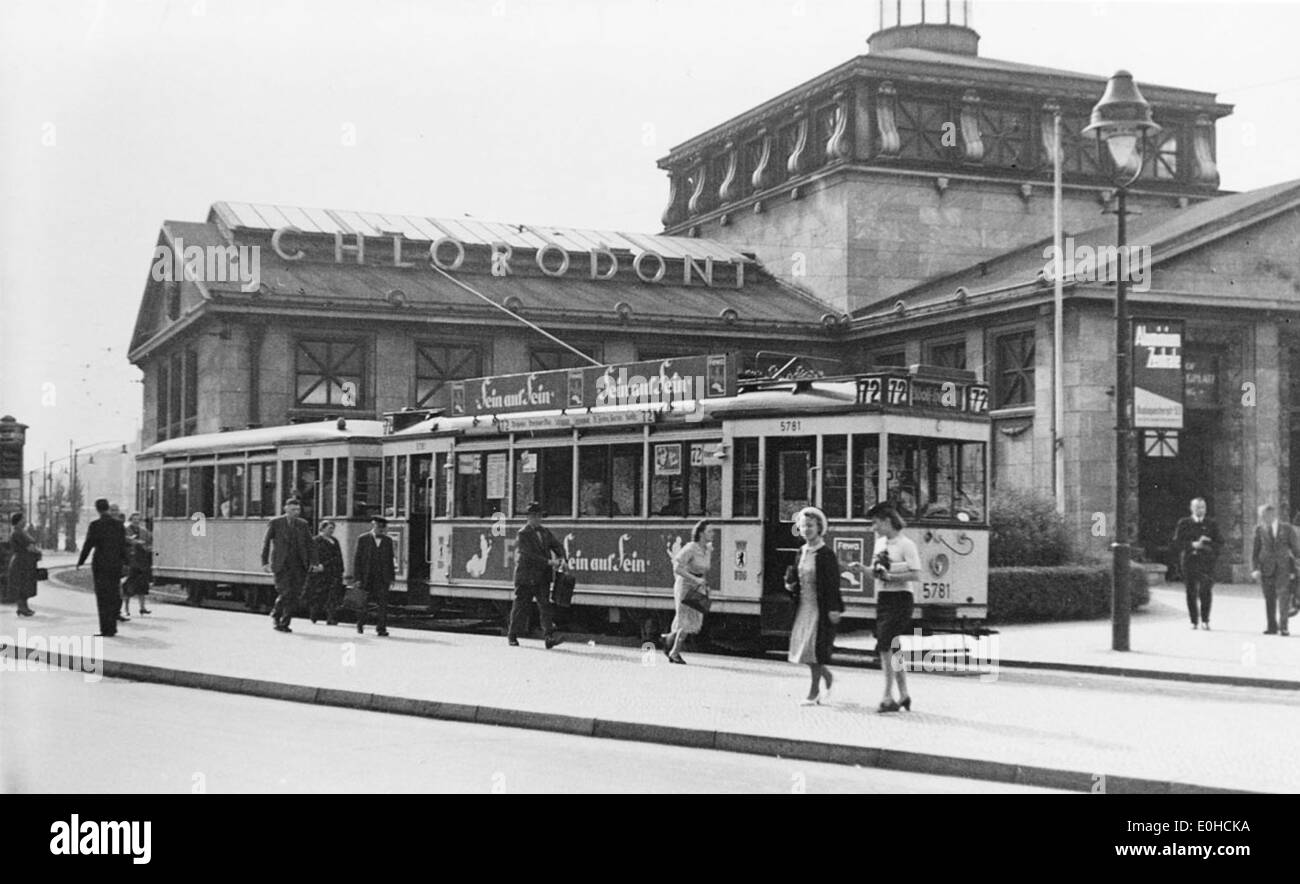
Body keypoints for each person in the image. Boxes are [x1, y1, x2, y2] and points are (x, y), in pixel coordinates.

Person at [783, 507, 845, 705]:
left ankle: (814, 691)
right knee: (804, 649)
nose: (806, 529)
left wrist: (835, 608)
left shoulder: (826, 554)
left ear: (819, 527)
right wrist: (789, 584)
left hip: (820, 607)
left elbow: (833, 583)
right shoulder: (801, 551)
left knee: (813, 648)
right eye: (802, 526)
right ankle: (826, 676)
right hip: (803, 606)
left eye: (810, 525)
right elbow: (795, 576)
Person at [865, 501, 921, 713]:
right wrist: (863, 570)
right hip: (884, 598)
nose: (874, 528)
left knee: (885, 645)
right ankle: (904, 694)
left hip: (901, 599)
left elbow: (916, 574)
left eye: (876, 523)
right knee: (893, 647)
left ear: (888, 521)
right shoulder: (880, 544)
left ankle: (888, 696)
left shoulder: (907, 545)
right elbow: (875, 571)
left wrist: (891, 575)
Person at [507, 501, 566, 649]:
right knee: (521, 606)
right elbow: (528, 556)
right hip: (526, 576)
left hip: (541, 576)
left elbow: (557, 545)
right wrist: (549, 562)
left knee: (545, 606)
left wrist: (562, 558)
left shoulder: (545, 532)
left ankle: (549, 637)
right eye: (535, 516)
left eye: (539, 516)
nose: (538, 519)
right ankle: (512, 634)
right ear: (529, 517)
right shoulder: (523, 533)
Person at [261, 498, 316, 633]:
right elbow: (266, 543)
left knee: (295, 594)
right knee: (285, 593)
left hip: (298, 565)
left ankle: (284, 623)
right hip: (281, 564)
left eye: (298, 510)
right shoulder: (275, 523)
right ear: (285, 509)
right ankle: (277, 615)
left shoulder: (302, 524)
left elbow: (311, 545)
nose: (296, 512)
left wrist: (314, 562)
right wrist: (265, 562)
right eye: (293, 510)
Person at [662, 520, 712, 664]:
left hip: (698, 586)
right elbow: (677, 568)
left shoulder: (708, 549)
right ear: (701, 534)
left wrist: (704, 584)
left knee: (696, 621)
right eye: (709, 532)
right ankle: (674, 652)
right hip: (685, 585)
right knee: (685, 620)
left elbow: (703, 570)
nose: (712, 534)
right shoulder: (690, 548)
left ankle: (669, 638)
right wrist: (694, 580)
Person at [76, 498, 128, 637]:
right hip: (115, 564)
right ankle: (113, 627)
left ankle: (106, 628)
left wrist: (81, 561)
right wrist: (126, 562)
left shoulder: (95, 525)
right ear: (107, 508)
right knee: (114, 595)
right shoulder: (119, 525)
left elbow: (88, 544)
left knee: (102, 597)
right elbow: (123, 546)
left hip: (100, 565)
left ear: (97, 509)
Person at [1171, 497, 1222, 630]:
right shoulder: (1184, 523)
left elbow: (1220, 542)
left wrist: (1208, 544)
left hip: (1206, 562)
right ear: (1191, 508)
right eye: (1197, 507)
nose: (1201, 510)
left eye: (1203, 507)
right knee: (1191, 591)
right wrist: (1192, 544)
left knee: (1206, 590)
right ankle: (1194, 620)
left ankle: (1205, 620)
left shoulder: (1211, 523)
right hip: (1189, 560)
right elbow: (1177, 543)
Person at [1251, 503, 1300, 636]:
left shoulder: (1287, 528)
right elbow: (1255, 552)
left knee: (1283, 597)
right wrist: (1255, 569)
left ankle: (1284, 627)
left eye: (1264, 515)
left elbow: (1296, 549)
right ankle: (1271, 626)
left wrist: (1297, 566)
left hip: (1284, 568)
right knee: (1269, 597)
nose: (1262, 518)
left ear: (1272, 514)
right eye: (1260, 516)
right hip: (1266, 568)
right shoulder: (1259, 529)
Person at [353, 516, 395, 636]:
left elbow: (390, 560)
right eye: (378, 527)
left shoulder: (388, 541)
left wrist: (392, 577)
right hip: (367, 577)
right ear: (373, 525)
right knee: (363, 603)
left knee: (383, 604)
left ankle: (381, 628)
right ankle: (360, 623)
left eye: (382, 528)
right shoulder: (363, 539)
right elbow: (358, 560)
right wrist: (357, 578)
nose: (380, 530)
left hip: (382, 578)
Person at [307, 520, 345, 625]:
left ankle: (331, 618)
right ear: (322, 528)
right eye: (330, 528)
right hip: (321, 572)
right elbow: (313, 556)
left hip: (334, 571)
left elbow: (339, 556)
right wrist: (317, 566)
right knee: (320, 595)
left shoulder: (335, 541)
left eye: (333, 528)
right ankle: (314, 614)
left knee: (333, 596)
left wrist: (341, 569)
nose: (332, 531)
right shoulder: (316, 541)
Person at [4, 513, 40, 617]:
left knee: (25, 584)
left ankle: (24, 607)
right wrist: (37, 551)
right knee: (22, 584)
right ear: (19, 521)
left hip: (24, 561)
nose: (25, 521)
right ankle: (21, 608)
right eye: (23, 519)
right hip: (21, 562)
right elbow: (29, 546)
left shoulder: (21, 532)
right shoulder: (17, 533)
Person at [121, 512, 153, 617]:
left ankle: (142, 607)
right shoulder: (126, 531)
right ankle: (126, 608)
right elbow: (122, 542)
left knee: (143, 585)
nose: (136, 521)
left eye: (138, 519)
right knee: (129, 586)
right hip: (130, 561)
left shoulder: (144, 531)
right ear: (131, 519)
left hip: (142, 561)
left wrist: (148, 548)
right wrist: (132, 542)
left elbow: (150, 542)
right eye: (134, 519)